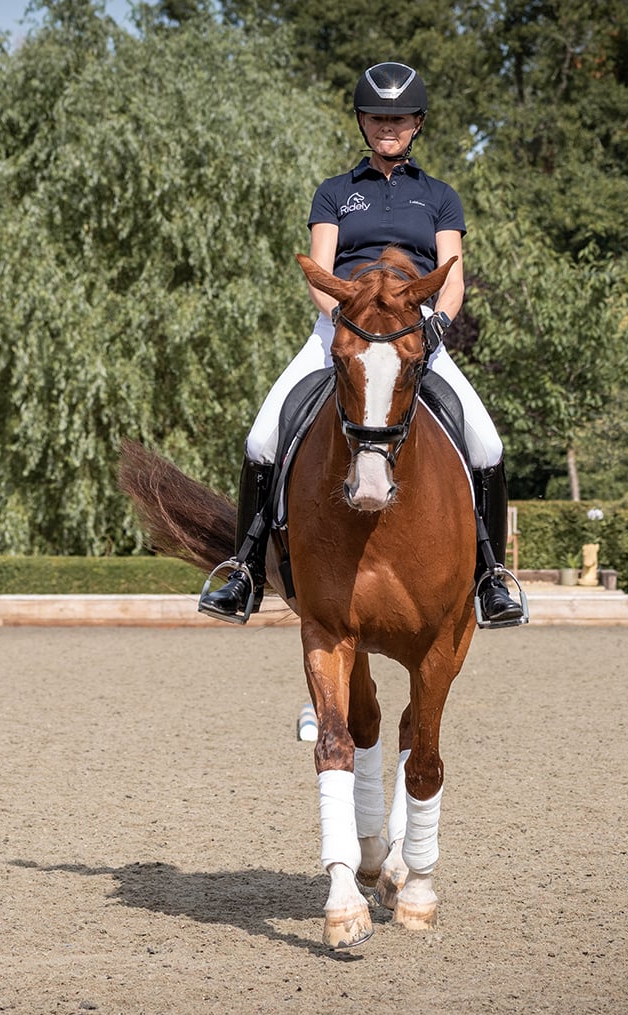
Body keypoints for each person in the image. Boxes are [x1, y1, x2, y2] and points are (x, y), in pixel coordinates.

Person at [199, 61, 524, 630]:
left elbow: (453, 279)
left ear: (418, 123)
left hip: (415, 335)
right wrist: (346, 320)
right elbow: (318, 272)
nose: (387, 127)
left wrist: (438, 325)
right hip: (342, 328)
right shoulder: (335, 194)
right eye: (377, 117)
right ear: (362, 121)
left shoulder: (441, 197)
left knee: (488, 445)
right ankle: (245, 568)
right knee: (261, 437)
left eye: (398, 118)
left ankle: (490, 578)